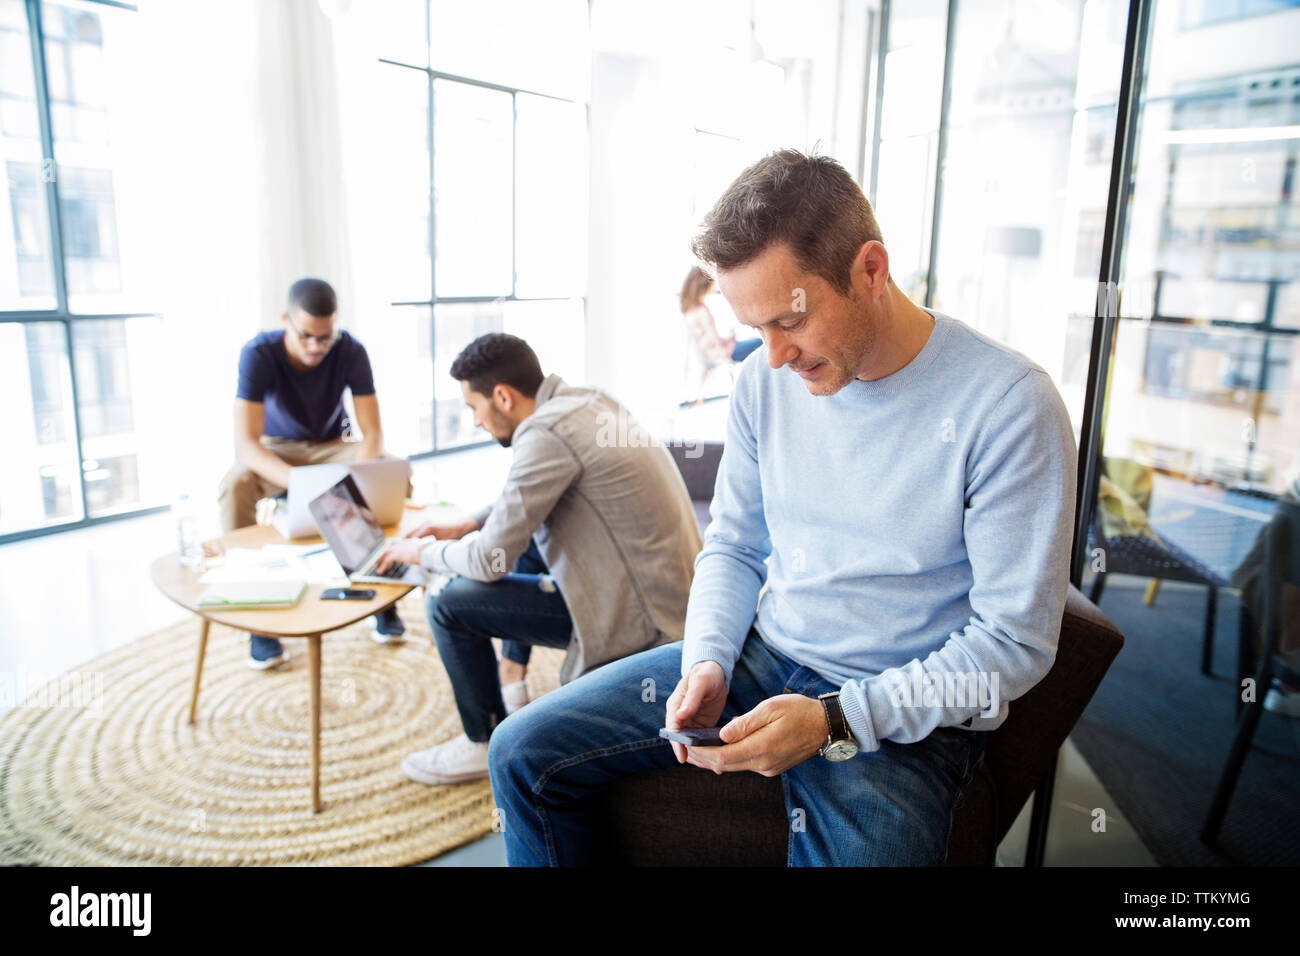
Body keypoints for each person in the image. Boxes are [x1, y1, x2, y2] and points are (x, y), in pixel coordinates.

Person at [486, 149, 1079, 866]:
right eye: (753, 328)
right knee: (521, 752)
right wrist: (708, 657)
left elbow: (1014, 643)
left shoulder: (1010, 405)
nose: (771, 357)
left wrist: (837, 719)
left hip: (902, 710)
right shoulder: (761, 384)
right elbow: (734, 546)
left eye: (788, 322)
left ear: (870, 269)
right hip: (765, 658)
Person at [374, 333, 703, 785]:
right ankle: (512, 681)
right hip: (679, 603)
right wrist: (466, 524)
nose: (474, 422)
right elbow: (525, 502)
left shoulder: (545, 433)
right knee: (526, 537)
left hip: (646, 627)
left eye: (474, 408)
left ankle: (481, 740)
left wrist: (424, 553)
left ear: (503, 397)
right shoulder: (586, 401)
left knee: (447, 599)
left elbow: (491, 559)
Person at [219, 277, 409, 669]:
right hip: (277, 448)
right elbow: (246, 445)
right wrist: (302, 485)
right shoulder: (258, 353)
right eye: (306, 336)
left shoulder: (350, 350)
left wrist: (357, 475)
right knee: (234, 484)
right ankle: (259, 621)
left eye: (324, 338)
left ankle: (380, 586)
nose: (315, 347)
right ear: (284, 320)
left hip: (331, 446)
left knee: (389, 469)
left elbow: (371, 433)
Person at [680, 265, 762, 365]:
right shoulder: (701, 311)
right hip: (722, 356)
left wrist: (727, 340)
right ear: (704, 285)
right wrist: (725, 359)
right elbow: (711, 341)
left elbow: (707, 340)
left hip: (718, 353)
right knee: (760, 344)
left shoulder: (689, 311)